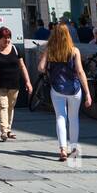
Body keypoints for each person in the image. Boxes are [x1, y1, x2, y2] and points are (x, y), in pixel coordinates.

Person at [38, 22, 91, 161]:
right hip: (74, 88)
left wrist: (50, 67)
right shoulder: (74, 51)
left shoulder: (50, 50)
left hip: (57, 88)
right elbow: (80, 71)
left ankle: (62, 149)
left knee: (60, 117)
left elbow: (41, 67)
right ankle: (73, 148)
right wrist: (88, 93)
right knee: (73, 119)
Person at [0, 26, 31, 141]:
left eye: (8, 37)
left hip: (14, 84)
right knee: (3, 106)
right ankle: (4, 130)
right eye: (4, 38)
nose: (7, 40)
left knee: (10, 107)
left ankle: (8, 129)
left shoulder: (15, 49)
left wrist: (28, 82)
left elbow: (22, 66)